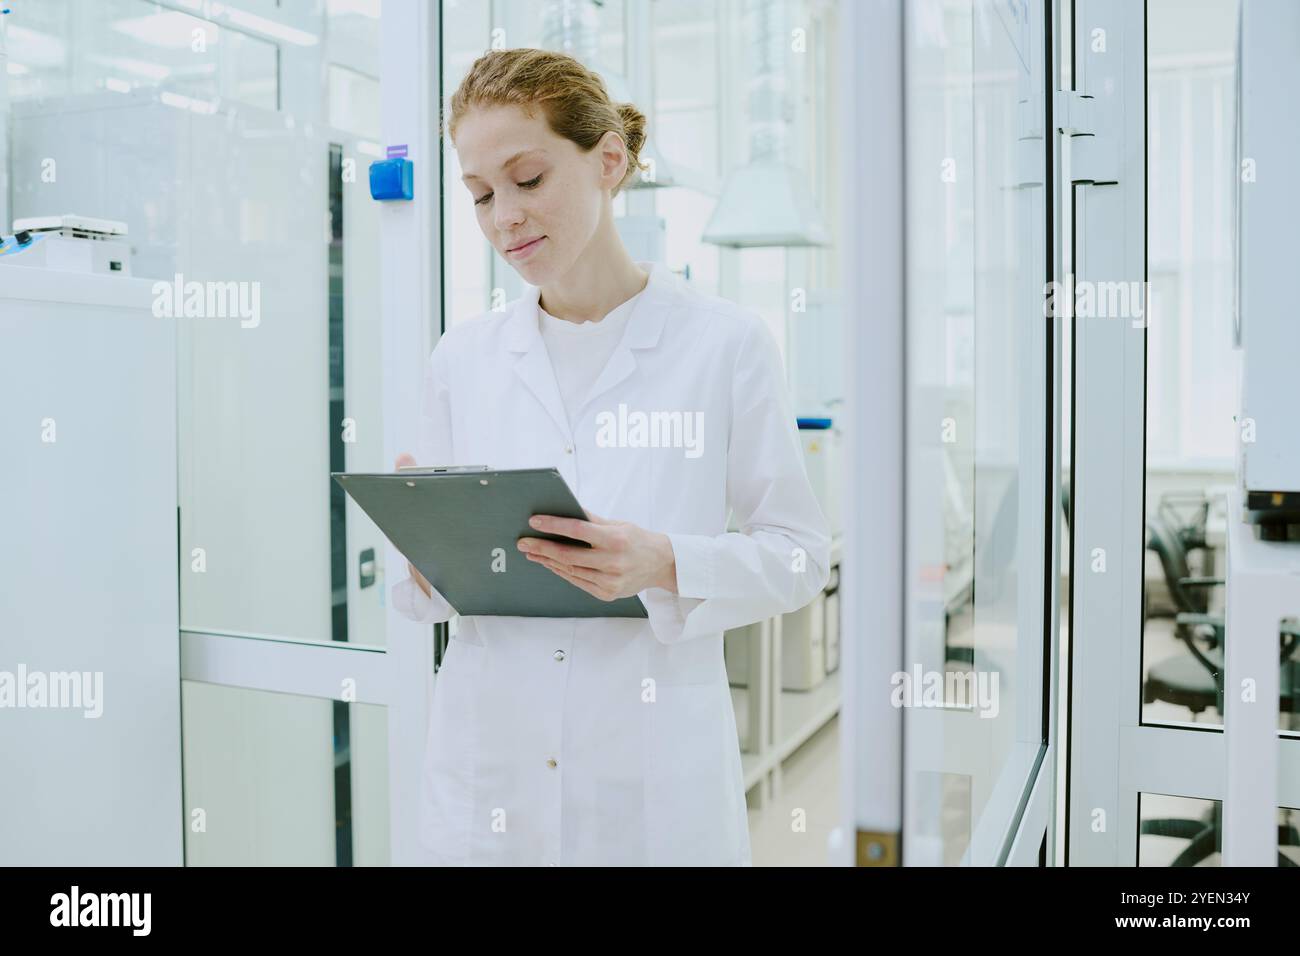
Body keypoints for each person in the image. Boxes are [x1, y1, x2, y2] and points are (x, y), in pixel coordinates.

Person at [392, 47, 830, 866]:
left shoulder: (723, 344)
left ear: (608, 161)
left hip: (649, 774)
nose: (504, 219)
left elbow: (800, 556)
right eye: (481, 195)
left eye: (527, 179)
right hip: (491, 772)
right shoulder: (464, 356)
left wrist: (666, 562)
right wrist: (428, 558)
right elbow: (433, 593)